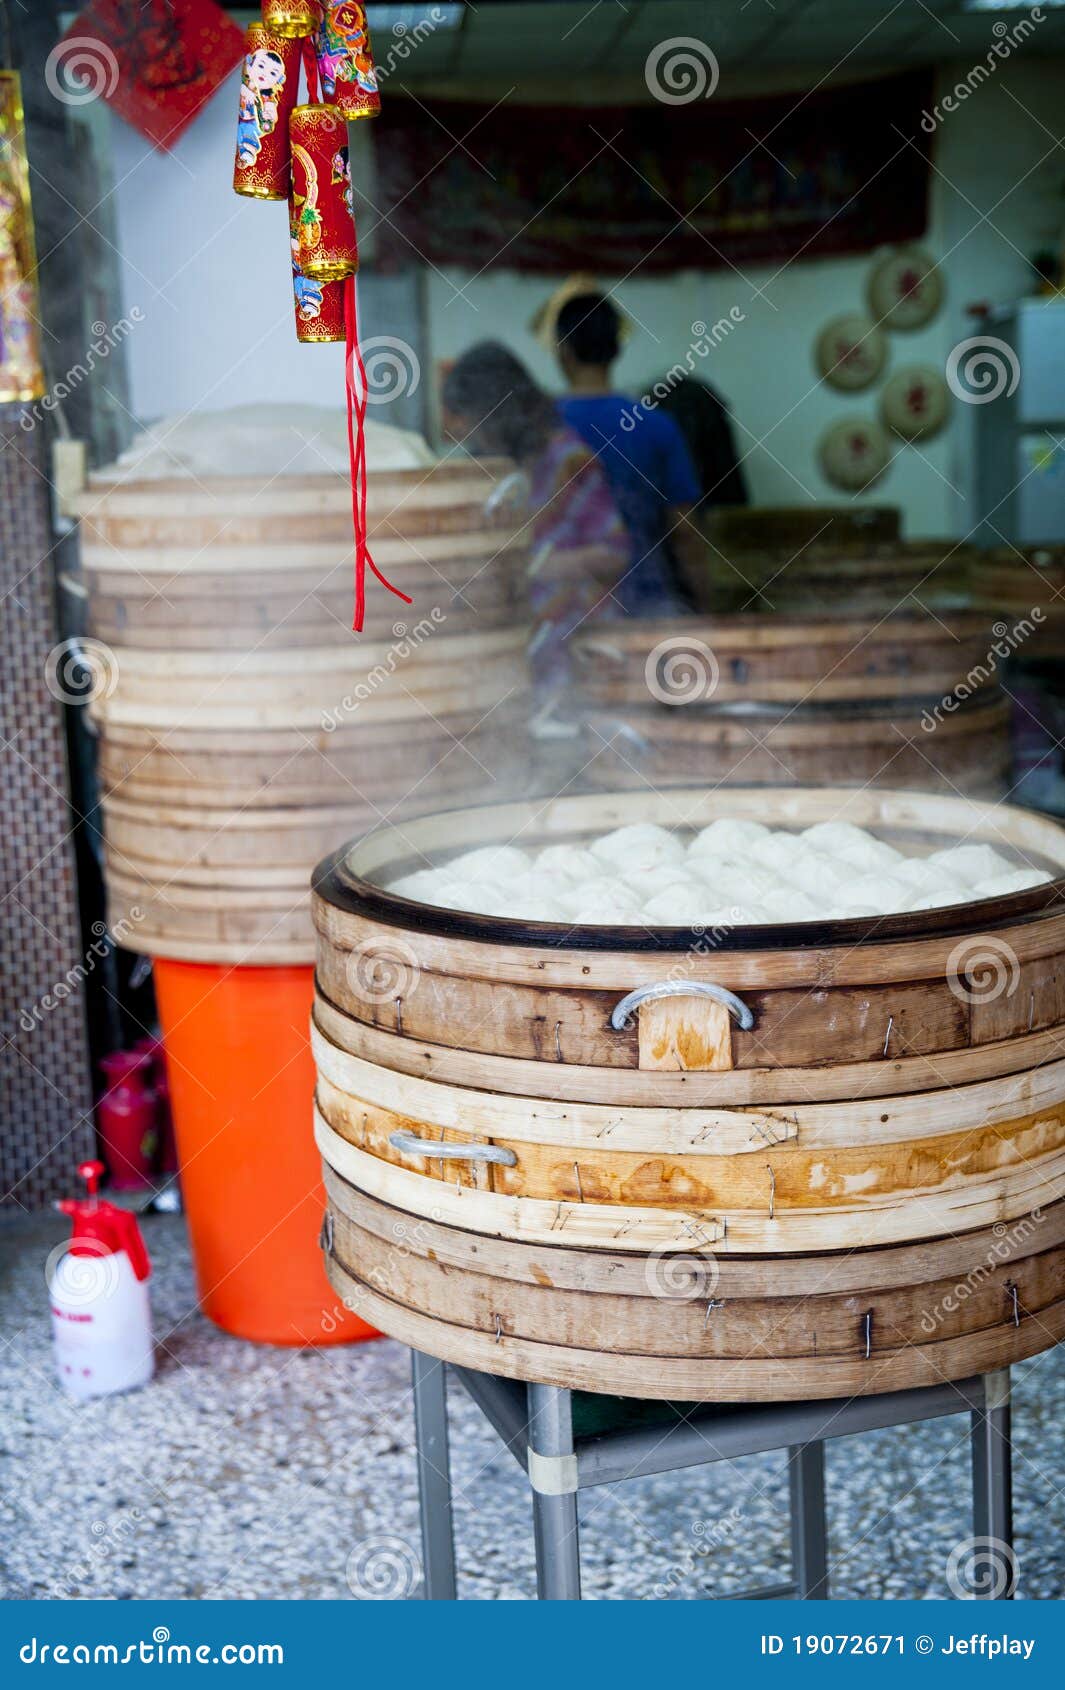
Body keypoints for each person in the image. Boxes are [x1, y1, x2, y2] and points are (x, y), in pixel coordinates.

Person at [442, 341, 629, 702]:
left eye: (474, 419)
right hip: (524, 656)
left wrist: (535, 567)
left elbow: (615, 552)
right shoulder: (494, 469)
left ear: (498, 411)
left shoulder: (567, 460)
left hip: (578, 650)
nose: (471, 433)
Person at [547, 288, 703, 613]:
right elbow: (684, 530)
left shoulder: (541, 432)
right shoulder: (658, 425)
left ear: (563, 351)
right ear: (617, 350)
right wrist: (704, 604)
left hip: (565, 610)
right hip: (649, 604)